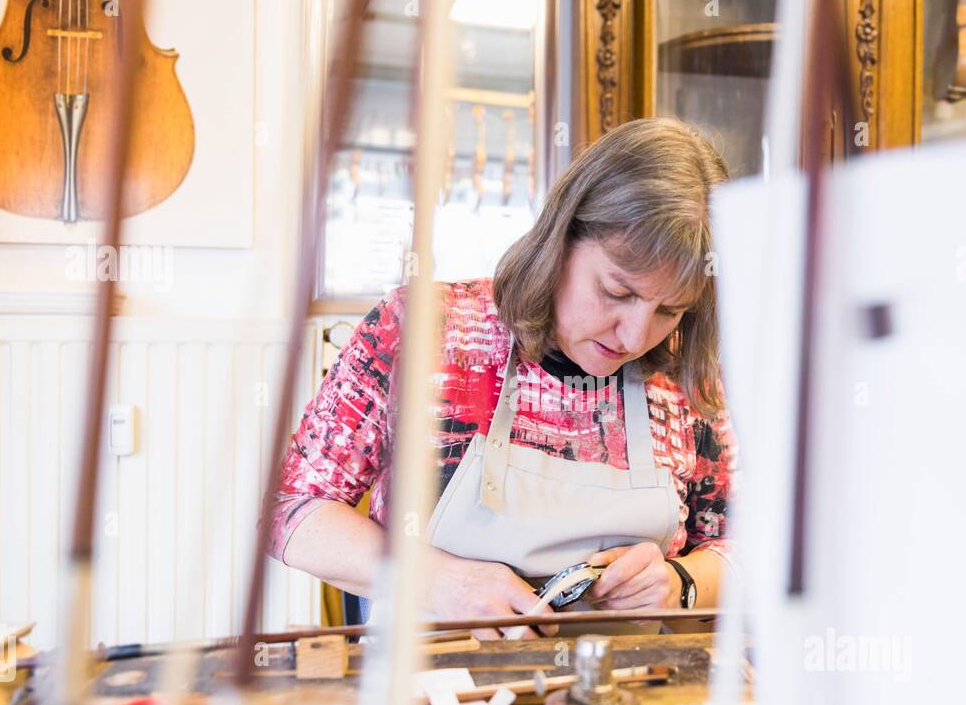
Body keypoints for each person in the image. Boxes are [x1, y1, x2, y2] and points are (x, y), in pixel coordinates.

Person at [265, 117, 737, 639]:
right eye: (616, 292)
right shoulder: (427, 330)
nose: (635, 335)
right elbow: (290, 509)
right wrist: (439, 581)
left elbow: (745, 548)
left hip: (621, 693)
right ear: (561, 239)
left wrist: (682, 583)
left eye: (669, 310)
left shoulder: (686, 384)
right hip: (434, 690)